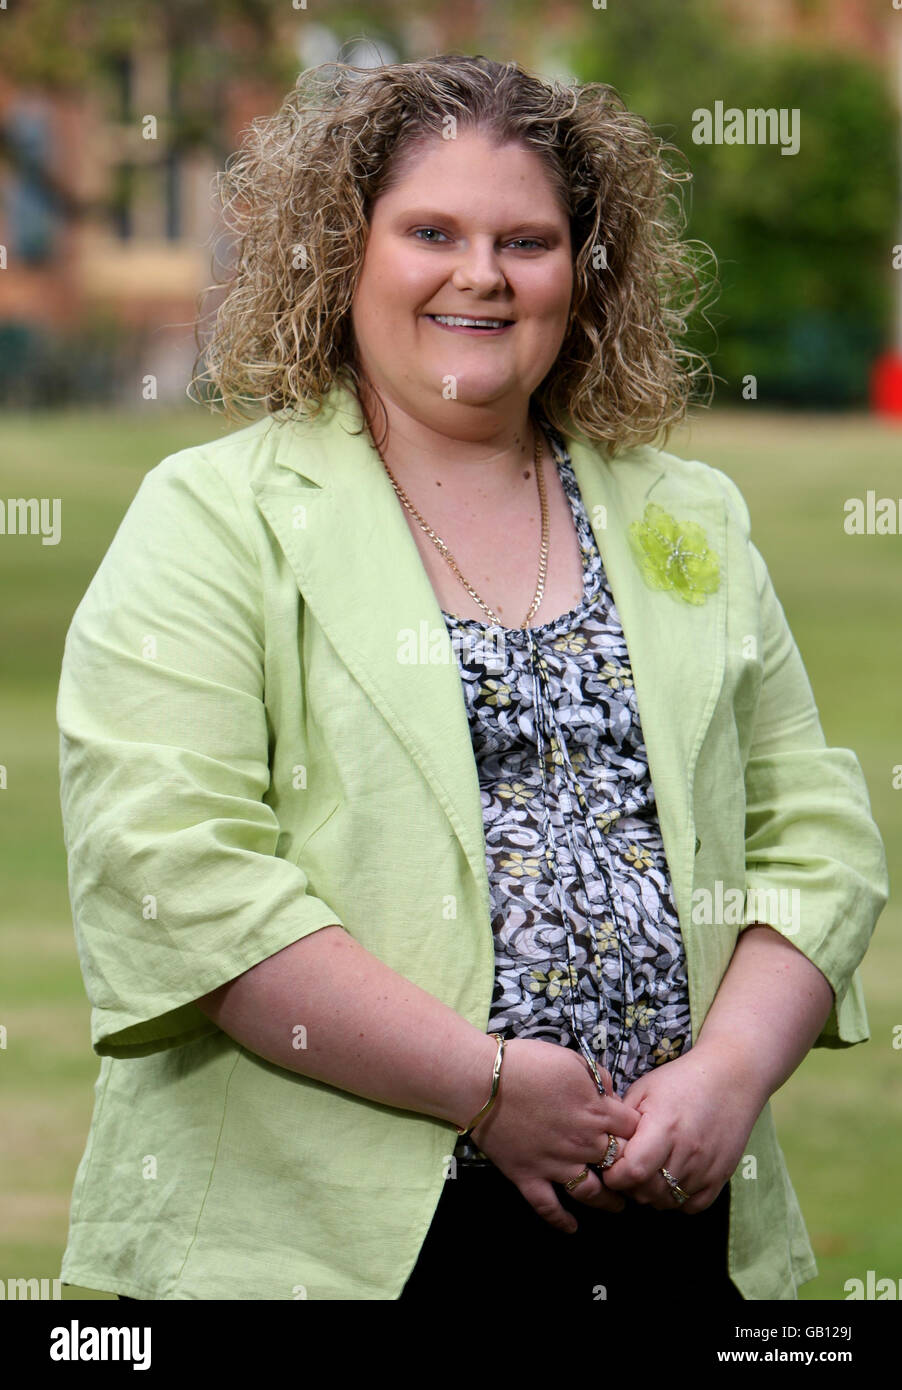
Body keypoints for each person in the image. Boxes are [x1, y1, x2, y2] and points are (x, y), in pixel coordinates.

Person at [57, 54, 888, 1303]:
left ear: (582, 271)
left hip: (672, 1220)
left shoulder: (688, 518)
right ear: (343, 253)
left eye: (527, 240)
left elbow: (814, 834)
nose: (480, 274)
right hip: (332, 1250)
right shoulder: (212, 518)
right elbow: (177, 872)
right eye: (429, 231)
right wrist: (483, 1086)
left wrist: (725, 1074)